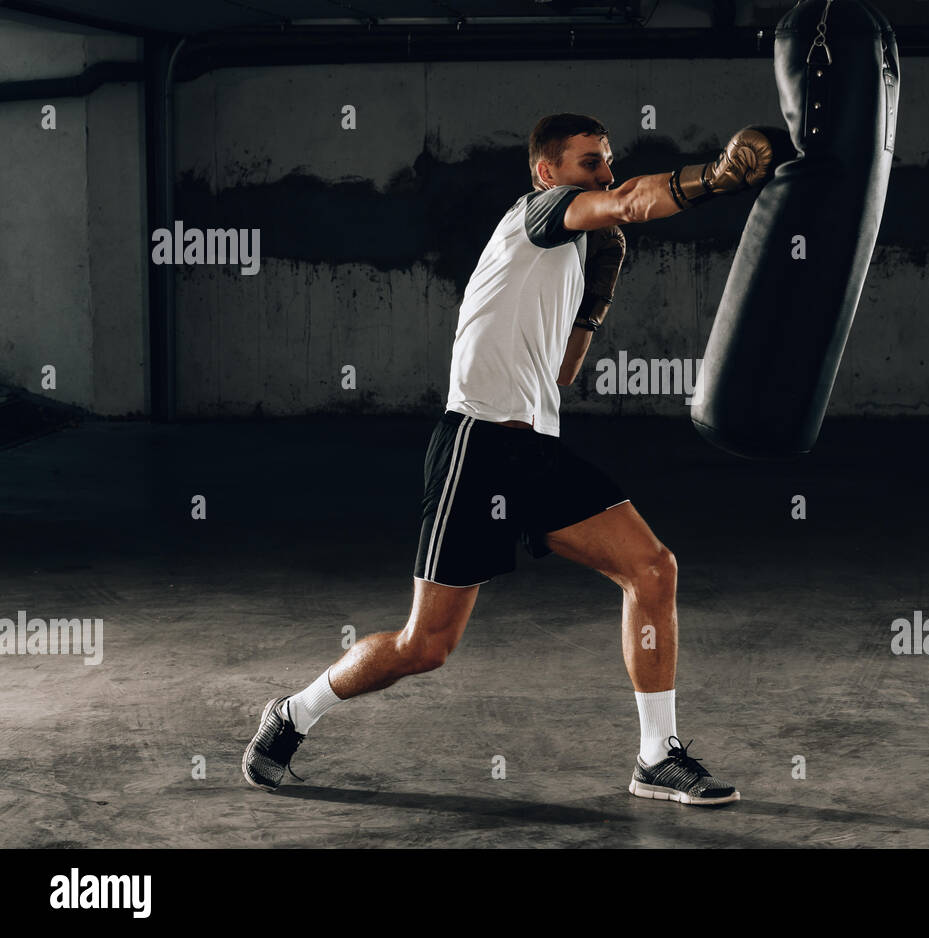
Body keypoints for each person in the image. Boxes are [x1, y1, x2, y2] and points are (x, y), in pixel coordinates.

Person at [242, 113, 776, 805]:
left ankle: (656, 757)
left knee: (652, 570)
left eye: (609, 161)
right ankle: (293, 713)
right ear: (547, 173)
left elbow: (562, 374)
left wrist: (598, 292)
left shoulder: (575, 250)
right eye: (590, 163)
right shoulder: (537, 214)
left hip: (534, 451)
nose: (604, 175)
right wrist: (718, 177)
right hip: (476, 445)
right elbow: (633, 201)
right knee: (426, 646)